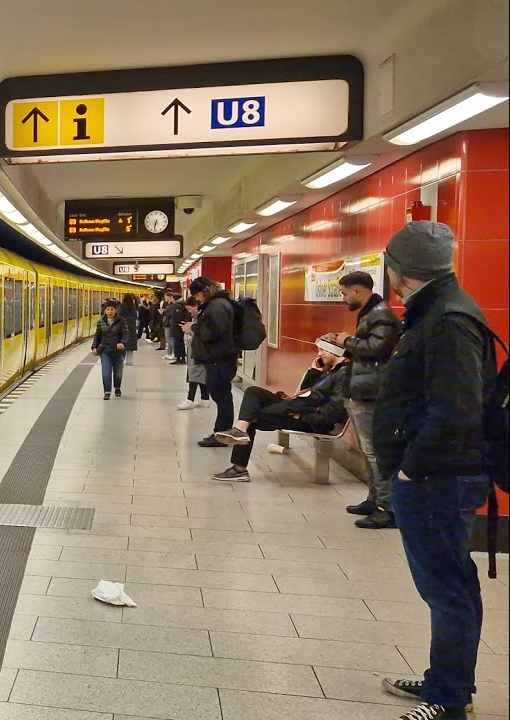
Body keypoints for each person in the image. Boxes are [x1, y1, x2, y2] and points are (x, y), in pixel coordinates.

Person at [373, 221, 497, 720]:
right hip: (438, 477)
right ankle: (445, 680)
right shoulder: (441, 312)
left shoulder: (446, 320)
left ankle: (446, 700)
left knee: (447, 590)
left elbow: (456, 409)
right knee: (451, 585)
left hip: (436, 480)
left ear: (398, 270)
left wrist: (411, 471)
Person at [211, 344, 350, 481]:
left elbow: (332, 413)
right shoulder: (330, 370)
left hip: (310, 420)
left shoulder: (343, 375)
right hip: (297, 408)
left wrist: (301, 414)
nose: (319, 354)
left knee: (251, 417)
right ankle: (240, 429)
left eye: (323, 350)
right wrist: (314, 371)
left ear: (335, 351)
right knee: (253, 392)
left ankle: (239, 468)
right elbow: (305, 392)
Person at [333, 270, 403, 529]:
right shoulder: (372, 313)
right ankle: (374, 499)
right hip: (361, 388)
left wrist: (346, 341)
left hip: (371, 392)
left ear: (358, 291)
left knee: (375, 451)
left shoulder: (381, 314)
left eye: (344, 292)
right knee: (367, 450)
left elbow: (377, 349)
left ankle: (386, 508)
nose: (343, 298)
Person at [189, 277, 238, 447]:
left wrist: (193, 327)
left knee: (222, 397)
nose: (197, 299)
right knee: (222, 397)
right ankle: (221, 432)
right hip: (219, 359)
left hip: (219, 359)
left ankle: (222, 434)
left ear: (204, 291)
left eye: (197, 295)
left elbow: (215, 333)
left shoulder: (217, 306)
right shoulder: (219, 304)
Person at [176, 297, 211, 410]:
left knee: (194, 374)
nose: (189, 311)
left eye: (190, 309)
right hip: (200, 350)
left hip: (199, 350)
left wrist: (189, 329)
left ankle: (190, 399)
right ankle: (205, 398)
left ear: (196, 306)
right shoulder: (199, 317)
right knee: (200, 374)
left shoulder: (202, 318)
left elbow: (202, 334)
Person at [92, 298, 130, 400]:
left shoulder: (122, 321)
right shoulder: (100, 322)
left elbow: (125, 334)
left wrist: (122, 343)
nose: (110, 311)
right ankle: (107, 392)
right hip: (105, 350)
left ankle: (117, 387)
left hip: (119, 352)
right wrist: (94, 347)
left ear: (115, 310)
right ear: (105, 310)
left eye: (111, 309)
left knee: (118, 373)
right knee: (106, 371)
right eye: (108, 309)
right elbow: (97, 336)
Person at [165, 294, 189, 364]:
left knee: (177, 343)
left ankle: (179, 358)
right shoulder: (182, 304)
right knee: (180, 342)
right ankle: (181, 357)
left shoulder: (177, 306)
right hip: (180, 326)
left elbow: (177, 317)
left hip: (177, 326)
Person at [119, 294, 139, 365]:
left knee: (122, 343)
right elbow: (136, 316)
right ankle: (129, 361)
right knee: (130, 345)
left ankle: (121, 360)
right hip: (132, 327)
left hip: (123, 327)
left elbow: (119, 316)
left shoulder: (121, 306)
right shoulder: (133, 307)